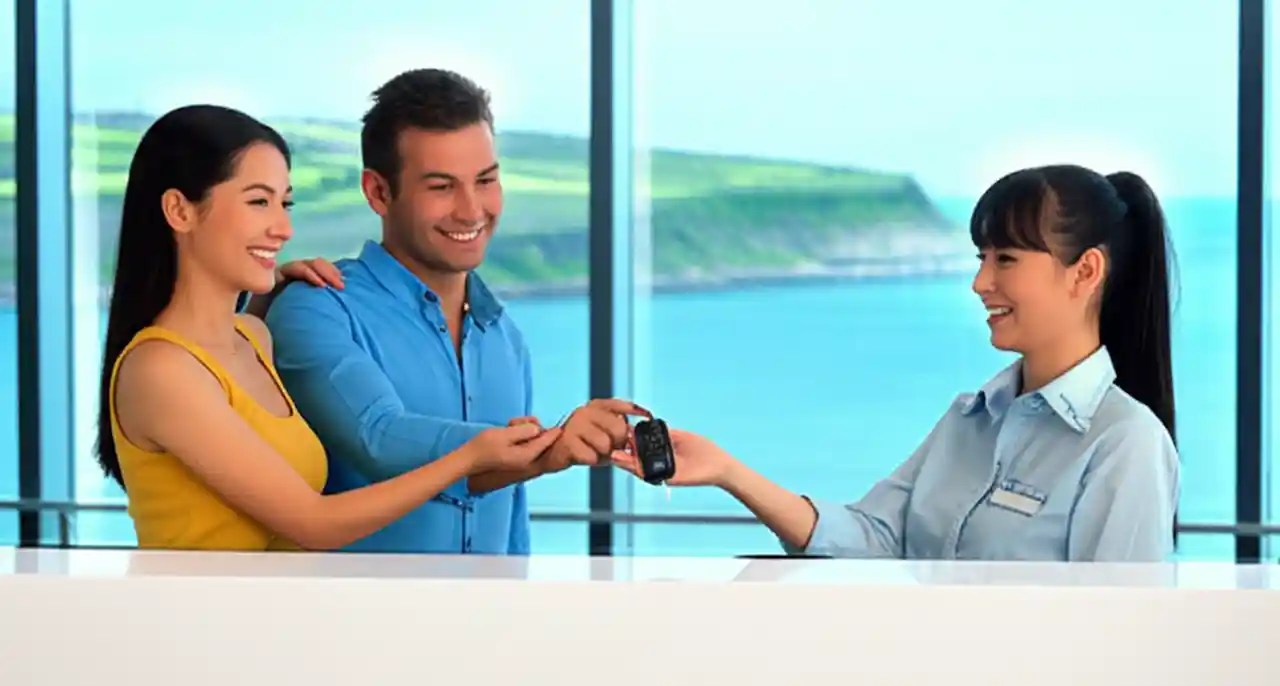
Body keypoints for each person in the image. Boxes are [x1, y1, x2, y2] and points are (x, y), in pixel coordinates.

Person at [614, 164, 1180, 562]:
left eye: (1005, 259)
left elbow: (1116, 642)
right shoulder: (969, 421)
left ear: (1084, 272)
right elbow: (873, 536)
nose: (981, 282)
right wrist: (727, 472)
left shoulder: (1126, 445)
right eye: (981, 258)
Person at [95, 104, 561, 552]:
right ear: (179, 211)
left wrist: (269, 286)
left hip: (282, 624)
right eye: (259, 201)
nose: (282, 228)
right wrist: (469, 455)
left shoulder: (252, 338)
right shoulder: (160, 370)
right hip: (207, 627)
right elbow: (314, 523)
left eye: (286, 203)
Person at [263, 68, 647, 555]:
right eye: (442, 187)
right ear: (378, 192)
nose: (471, 211)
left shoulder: (505, 338)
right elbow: (379, 439)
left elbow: (510, 516)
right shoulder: (317, 308)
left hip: (490, 626)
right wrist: (551, 448)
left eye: (485, 180)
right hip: (356, 625)